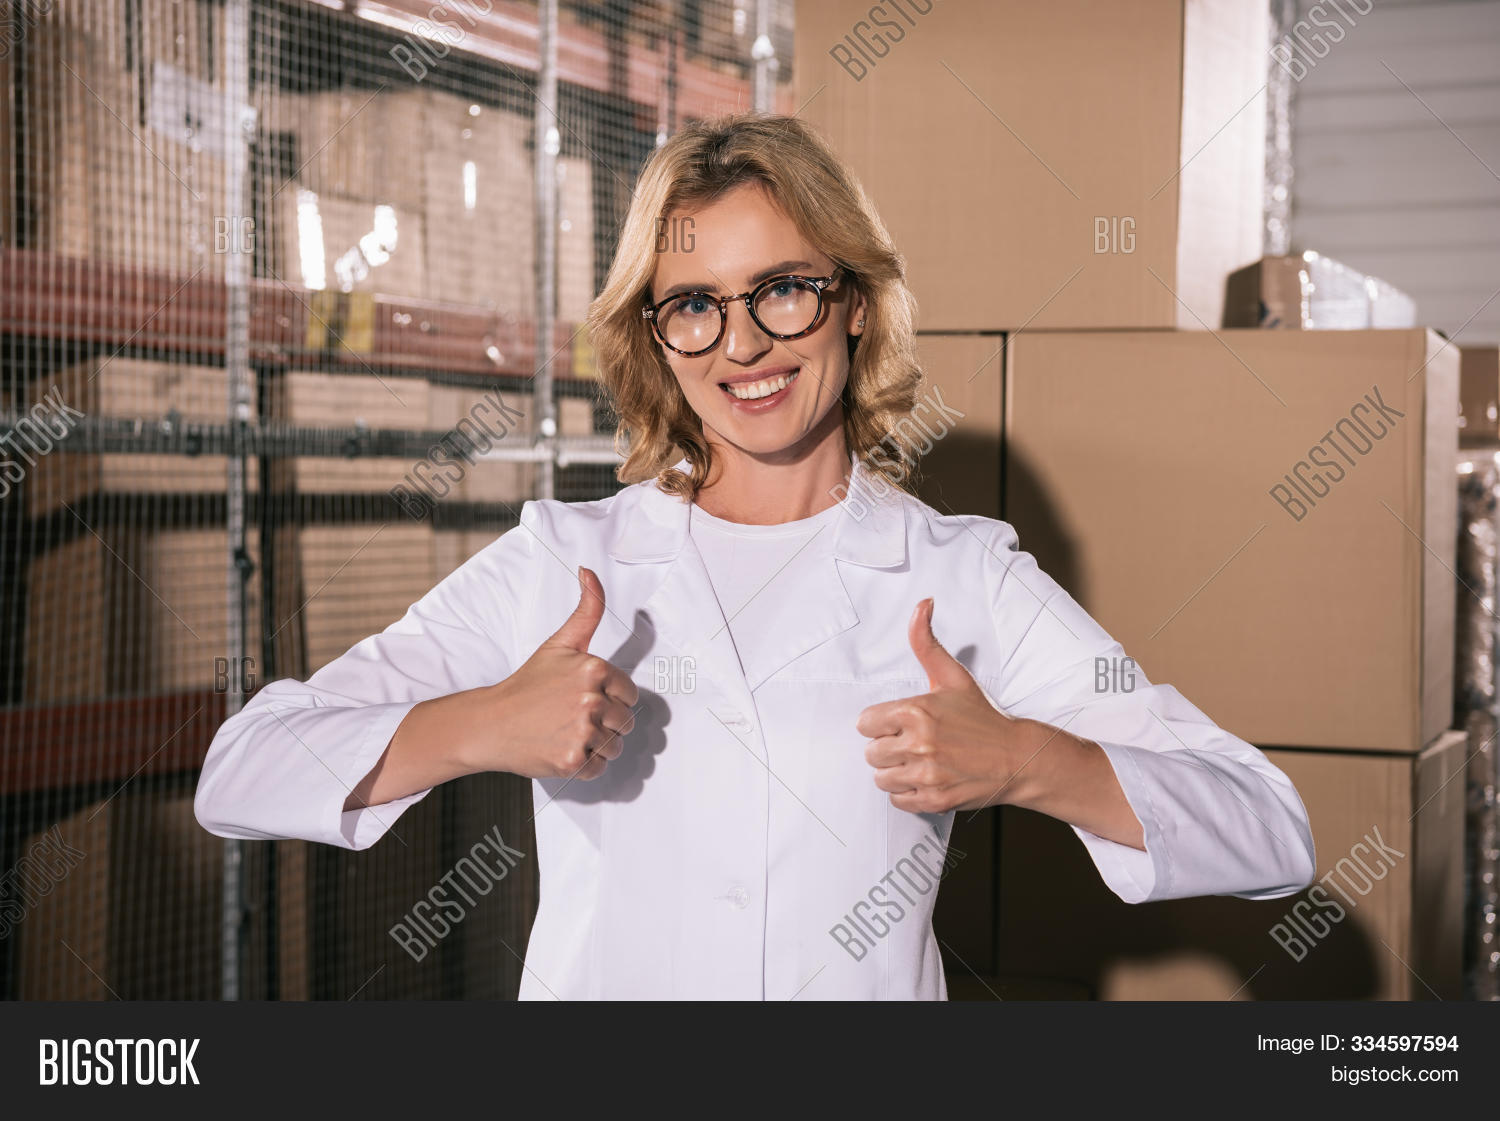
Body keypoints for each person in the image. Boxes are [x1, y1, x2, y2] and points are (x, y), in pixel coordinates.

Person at [194, 113, 1316, 1000]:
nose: (741, 344)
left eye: (782, 288)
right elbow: (241, 773)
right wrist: (477, 723)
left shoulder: (963, 578)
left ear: (857, 305)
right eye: (693, 304)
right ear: (655, 334)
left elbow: (1271, 824)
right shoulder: (564, 561)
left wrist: (1029, 759)